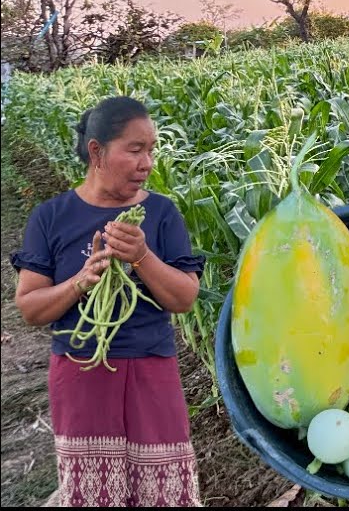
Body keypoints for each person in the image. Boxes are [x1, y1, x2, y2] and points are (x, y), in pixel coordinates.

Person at [10, 96, 205, 507]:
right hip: (81, 370)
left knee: (163, 491)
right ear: (97, 151)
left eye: (151, 150)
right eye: (135, 150)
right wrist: (82, 280)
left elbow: (185, 297)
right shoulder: (51, 218)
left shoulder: (162, 214)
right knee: (93, 493)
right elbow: (29, 308)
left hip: (152, 367)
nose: (147, 163)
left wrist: (142, 257)